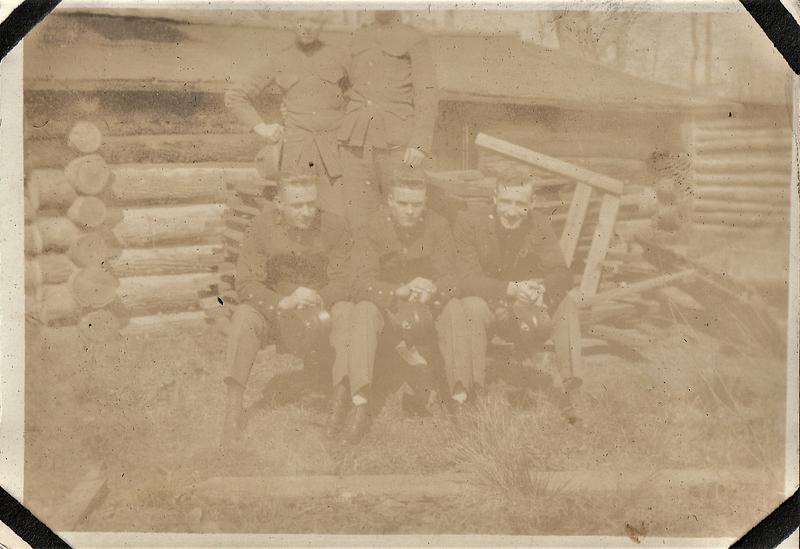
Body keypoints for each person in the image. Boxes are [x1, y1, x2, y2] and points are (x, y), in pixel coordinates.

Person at [327, 168, 467, 444]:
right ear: (389, 201)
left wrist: (432, 288)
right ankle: (359, 404)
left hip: (426, 307)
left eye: (416, 204)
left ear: (425, 204)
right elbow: (358, 283)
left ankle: (460, 402)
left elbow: (452, 277)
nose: (410, 211)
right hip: (387, 309)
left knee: (455, 310)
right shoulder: (371, 228)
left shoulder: (438, 226)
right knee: (363, 311)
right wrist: (397, 291)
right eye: (403, 203)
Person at [221, 173, 354, 445]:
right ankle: (233, 411)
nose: (306, 212)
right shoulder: (261, 227)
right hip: (278, 312)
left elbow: (346, 279)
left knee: (348, 313)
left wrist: (320, 297)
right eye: (297, 205)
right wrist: (280, 302)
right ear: (279, 203)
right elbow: (246, 283)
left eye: (310, 204)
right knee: (244, 317)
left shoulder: (335, 227)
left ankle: (339, 406)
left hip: (320, 311)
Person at [451, 168, 583, 414]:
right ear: (495, 198)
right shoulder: (470, 222)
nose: (512, 211)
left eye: (520, 204)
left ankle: (570, 387)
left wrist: (542, 288)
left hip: (526, 306)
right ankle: (470, 392)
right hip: (488, 303)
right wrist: (510, 289)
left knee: (566, 304)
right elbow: (465, 279)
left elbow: (562, 273)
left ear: (532, 203)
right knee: (470, 307)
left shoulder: (540, 224)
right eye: (506, 202)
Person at [224, 12, 347, 215]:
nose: (307, 26)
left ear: (322, 23)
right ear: (291, 22)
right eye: (301, 19)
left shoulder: (340, 56)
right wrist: (262, 127)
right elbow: (236, 95)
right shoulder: (280, 59)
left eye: (314, 19)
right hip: (296, 157)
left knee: (336, 219)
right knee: (295, 219)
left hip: (335, 157)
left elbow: (359, 97)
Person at [338, 10, 438, 231]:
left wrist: (420, 142)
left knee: (398, 214)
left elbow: (427, 92)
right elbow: (339, 81)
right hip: (356, 143)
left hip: (397, 144)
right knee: (357, 216)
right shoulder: (359, 36)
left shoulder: (414, 38)